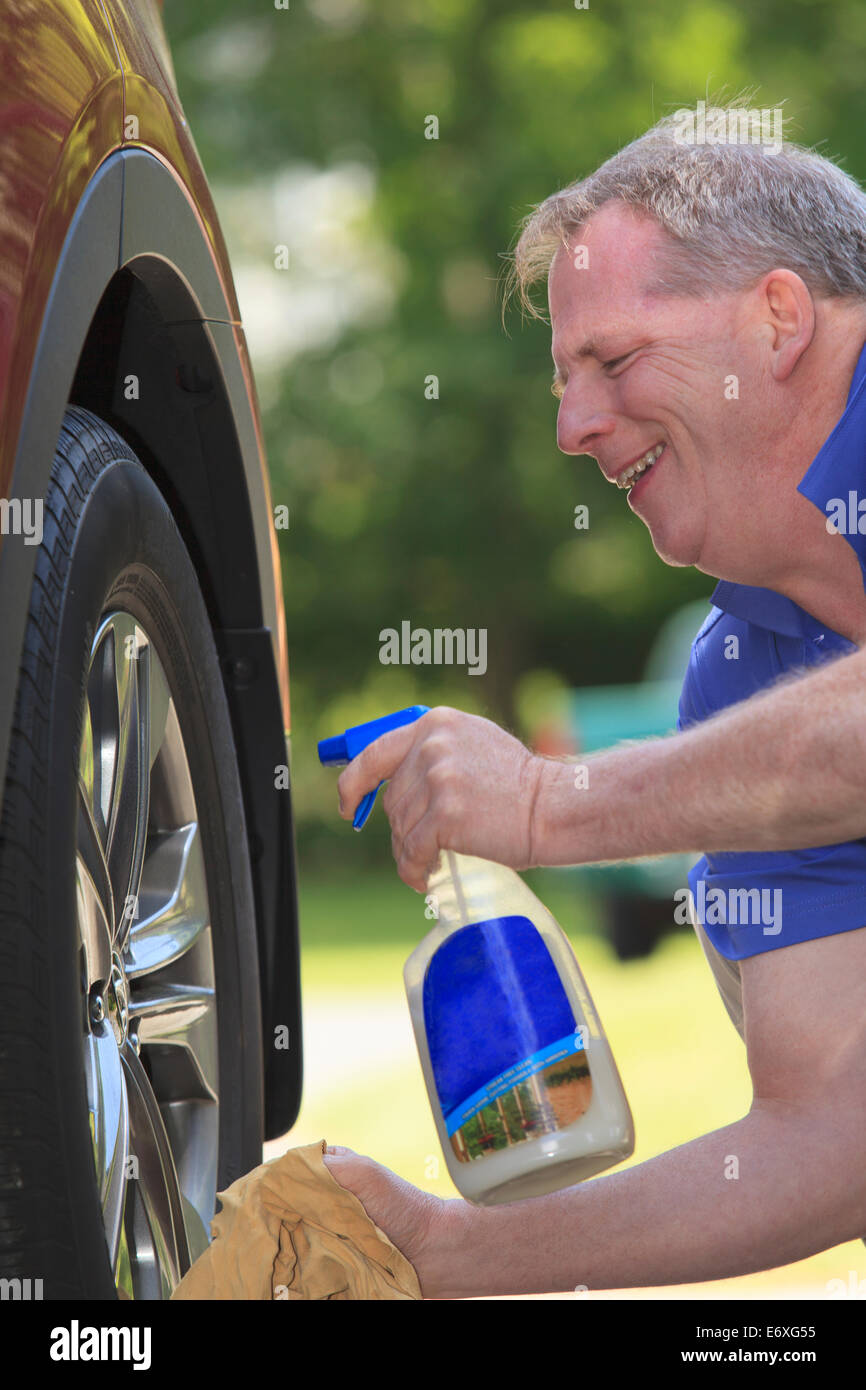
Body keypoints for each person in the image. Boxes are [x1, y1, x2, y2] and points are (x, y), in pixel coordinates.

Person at [322, 106, 866, 1298]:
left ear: (775, 319)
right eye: (565, 381)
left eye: (611, 363)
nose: (571, 428)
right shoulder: (742, 676)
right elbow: (833, 1135)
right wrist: (447, 1253)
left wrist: (549, 803)